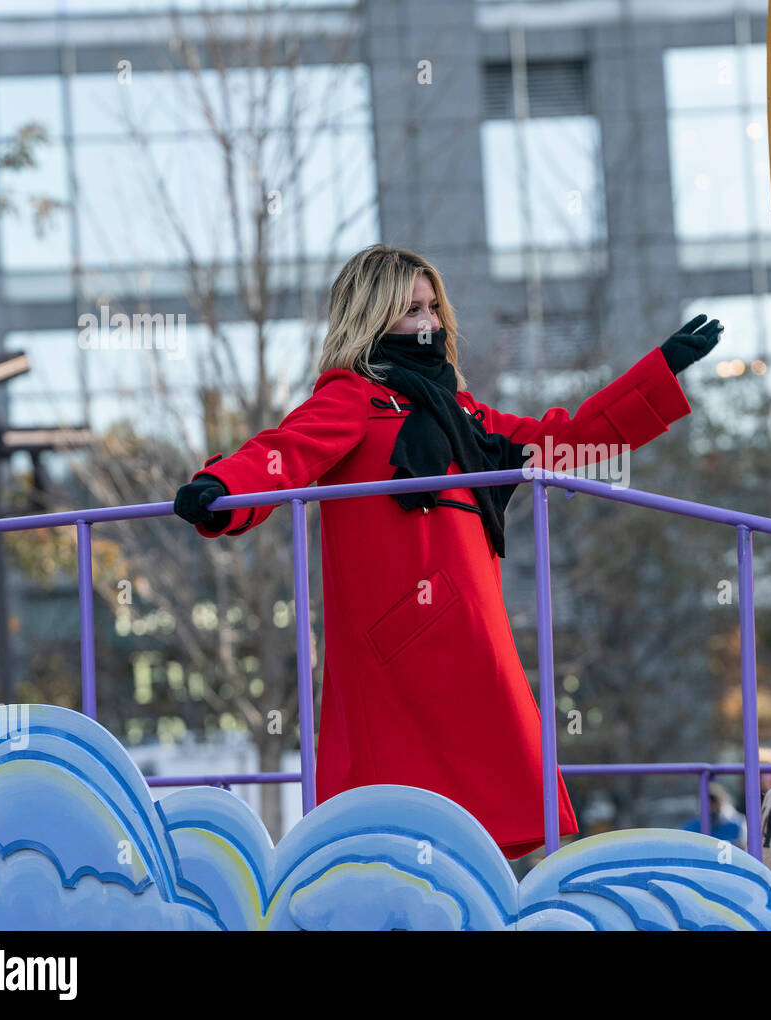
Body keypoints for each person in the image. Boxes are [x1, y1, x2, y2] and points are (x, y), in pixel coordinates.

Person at [173, 244, 724, 859]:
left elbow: (563, 441)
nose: (429, 323)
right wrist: (221, 489)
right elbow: (284, 451)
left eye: (433, 308)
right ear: (373, 317)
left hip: (470, 635)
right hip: (401, 647)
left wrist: (658, 373)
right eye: (412, 310)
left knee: (476, 830)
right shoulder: (353, 396)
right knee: (400, 829)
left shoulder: (466, 415)